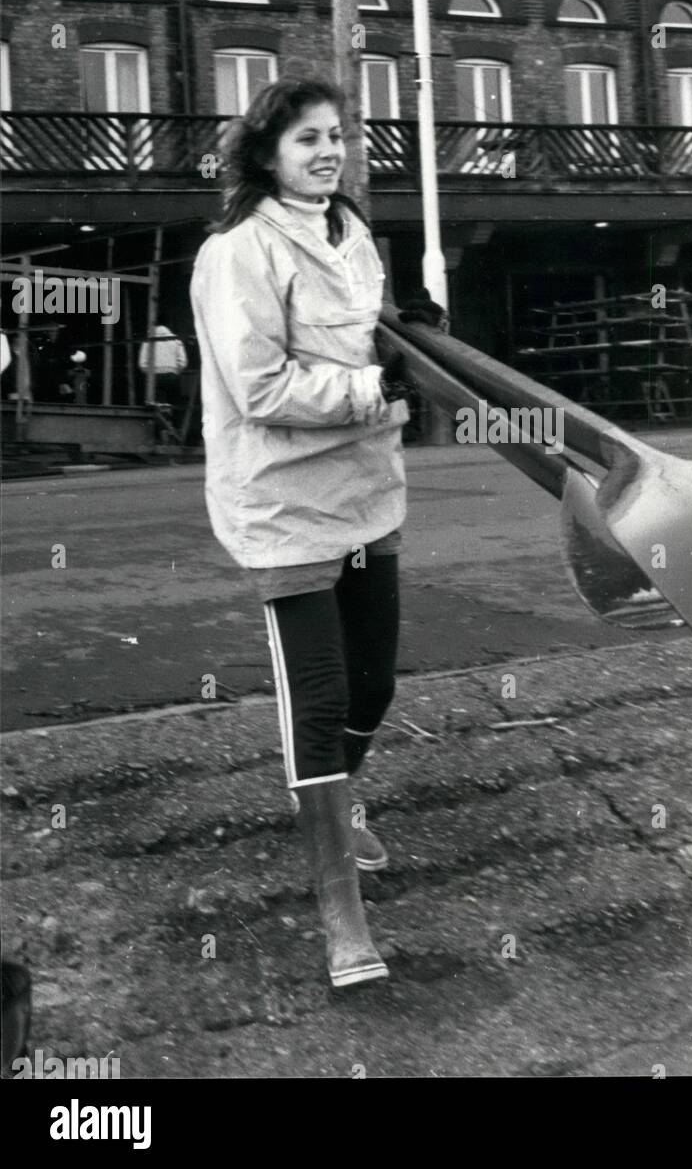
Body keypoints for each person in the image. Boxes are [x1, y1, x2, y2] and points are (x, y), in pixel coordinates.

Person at [190, 77, 438, 993]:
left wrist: (409, 340)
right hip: (284, 505)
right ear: (266, 154)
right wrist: (378, 385)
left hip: (367, 492)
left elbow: (362, 338)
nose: (329, 151)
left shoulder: (351, 231)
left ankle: (340, 800)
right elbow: (260, 387)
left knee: (375, 681)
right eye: (307, 139)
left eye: (336, 135)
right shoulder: (237, 252)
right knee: (320, 697)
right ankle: (343, 916)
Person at [138, 324, 188, 409]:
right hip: (172, 376)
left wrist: (149, 373)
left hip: (154, 378)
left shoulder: (148, 341)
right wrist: (177, 371)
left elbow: (142, 363)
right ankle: (172, 415)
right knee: (173, 404)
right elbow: (183, 362)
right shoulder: (176, 340)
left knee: (155, 405)